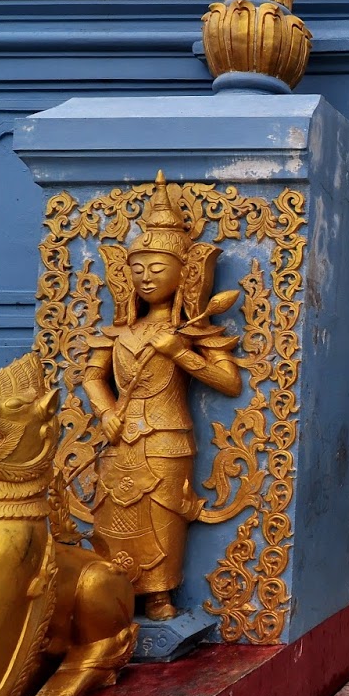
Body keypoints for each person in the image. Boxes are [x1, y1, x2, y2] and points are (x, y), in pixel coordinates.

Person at [82, 174, 242, 620]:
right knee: (114, 512)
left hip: (168, 438)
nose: (146, 278)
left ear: (184, 273)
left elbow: (229, 382)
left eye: (157, 269)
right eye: (138, 270)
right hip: (121, 438)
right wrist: (107, 411)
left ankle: (158, 593)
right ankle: (114, 590)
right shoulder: (118, 331)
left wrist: (180, 354)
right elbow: (92, 377)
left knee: (162, 516)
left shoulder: (195, 329)